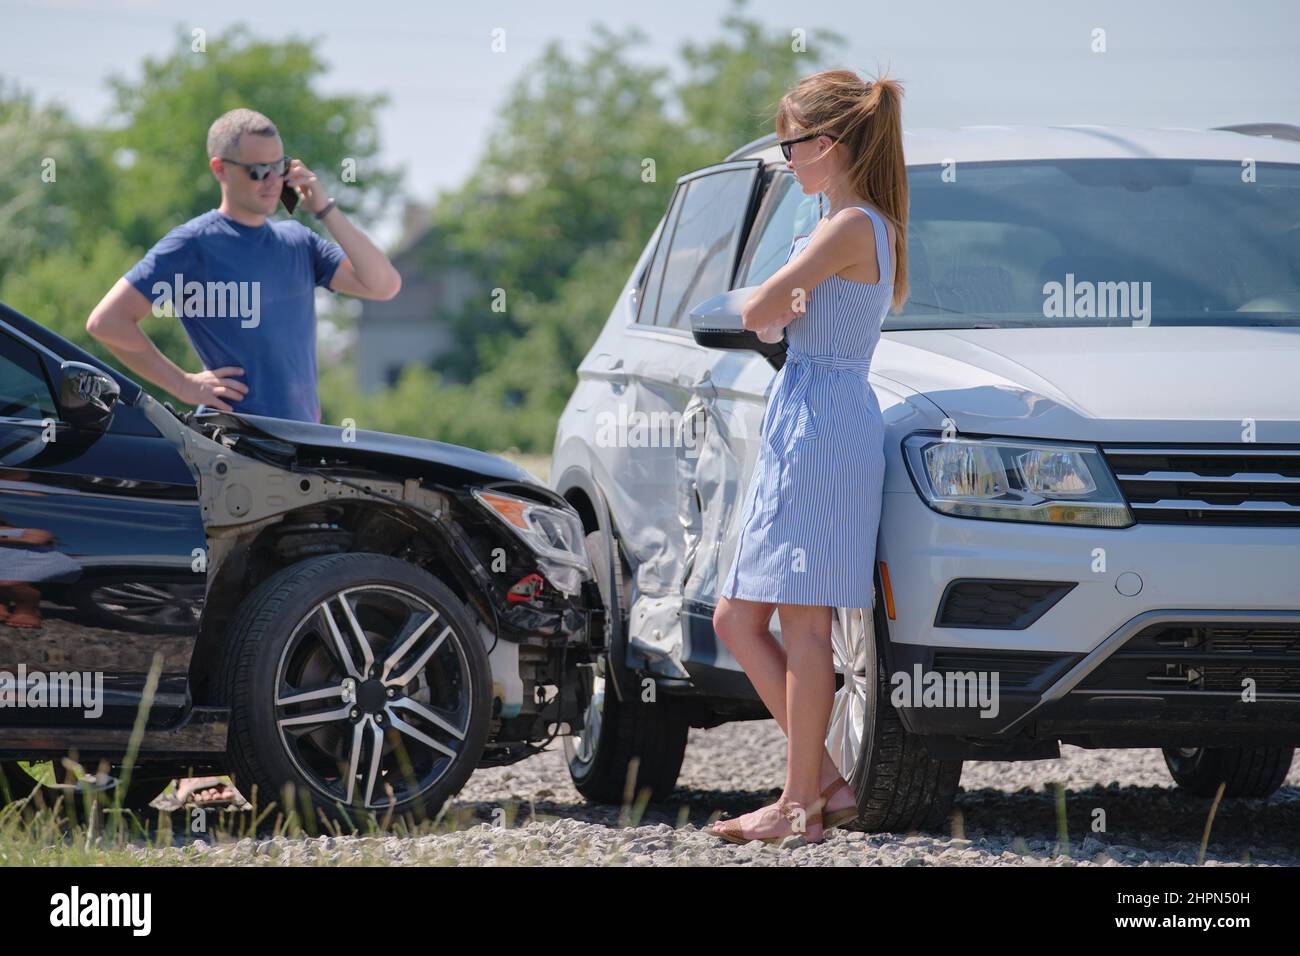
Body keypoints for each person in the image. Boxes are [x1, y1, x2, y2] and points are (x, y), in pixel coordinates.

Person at [86, 107, 402, 807]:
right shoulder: (194, 243)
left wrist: (324, 205)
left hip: (303, 450)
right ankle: (196, 765)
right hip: (231, 451)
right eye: (255, 170)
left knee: (294, 600)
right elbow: (108, 323)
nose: (268, 180)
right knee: (225, 599)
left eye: (277, 168)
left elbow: (384, 285)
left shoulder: (297, 241)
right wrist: (186, 385)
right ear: (220, 171)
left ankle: (296, 757)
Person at [710, 70, 909, 845]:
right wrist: (773, 309)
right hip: (805, 413)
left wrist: (770, 308)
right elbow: (771, 313)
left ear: (826, 144)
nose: (785, 159)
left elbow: (761, 311)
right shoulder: (835, 224)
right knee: (737, 616)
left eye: (790, 144)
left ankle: (800, 806)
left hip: (823, 420)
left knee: (803, 624)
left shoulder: (852, 226)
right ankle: (824, 783)